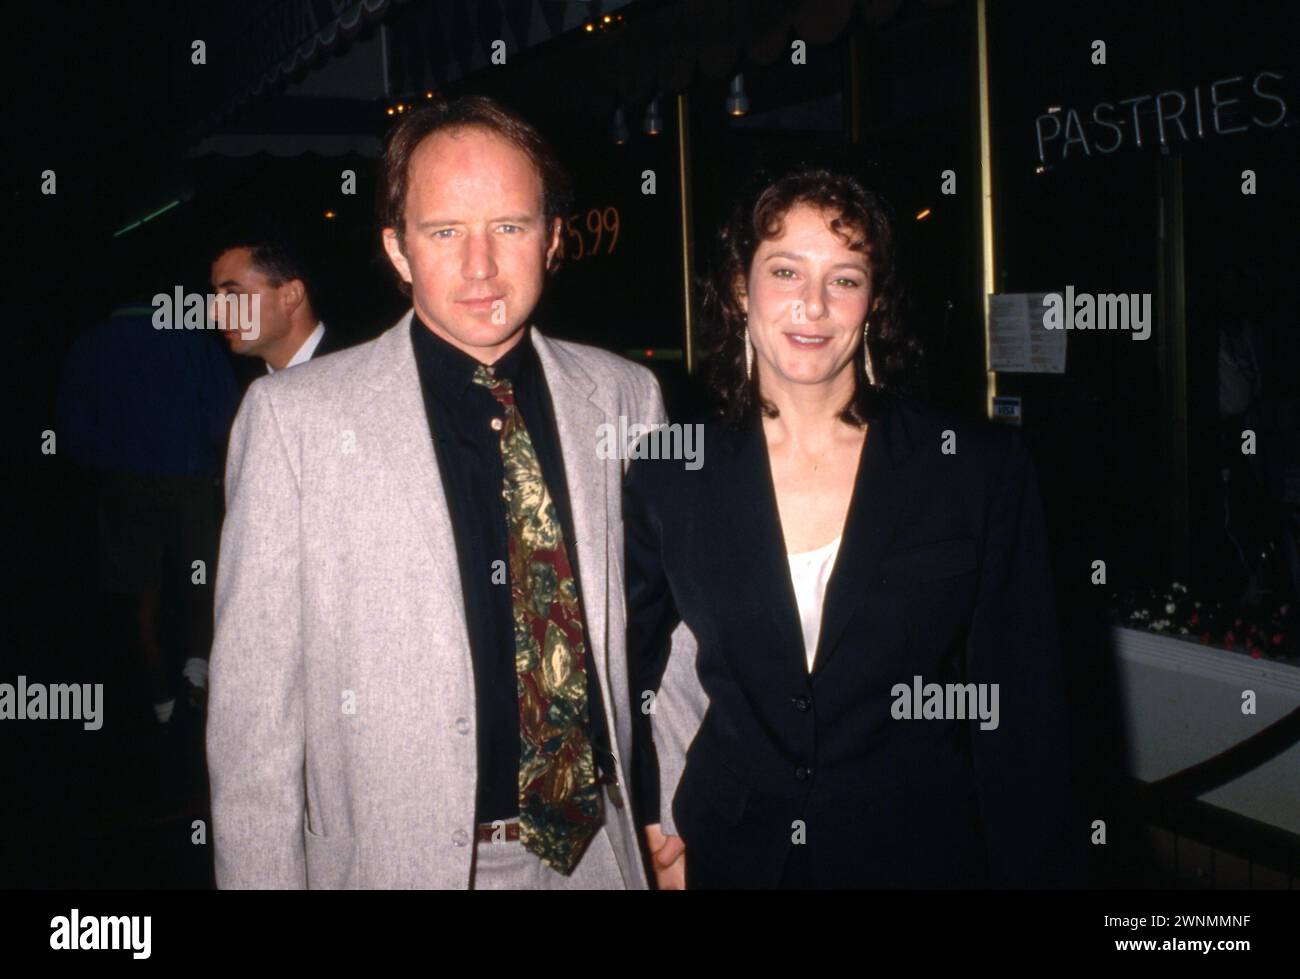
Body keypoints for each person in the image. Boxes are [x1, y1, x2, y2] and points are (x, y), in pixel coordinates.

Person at [206, 95, 667, 889]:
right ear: (398, 248)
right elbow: (254, 716)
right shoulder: (294, 421)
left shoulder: (625, 397)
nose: (480, 266)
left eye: (510, 227)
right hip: (395, 865)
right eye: (445, 231)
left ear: (554, 238)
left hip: (599, 854)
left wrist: (676, 809)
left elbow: (669, 635)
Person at [626, 165, 1085, 889]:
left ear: (874, 301)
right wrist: (646, 808)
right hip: (735, 857)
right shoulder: (671, 473)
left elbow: (1026, 714)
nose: (813, 304)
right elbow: (618, 661)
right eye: (785, 271)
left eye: (844, 278)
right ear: (741, 288)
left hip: (918, 860)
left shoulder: (975, 469)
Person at [209, 236, 349, 380]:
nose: (214, 313)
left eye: (232, 294)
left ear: (290, 296)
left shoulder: (353, 372)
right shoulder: (242, 384)